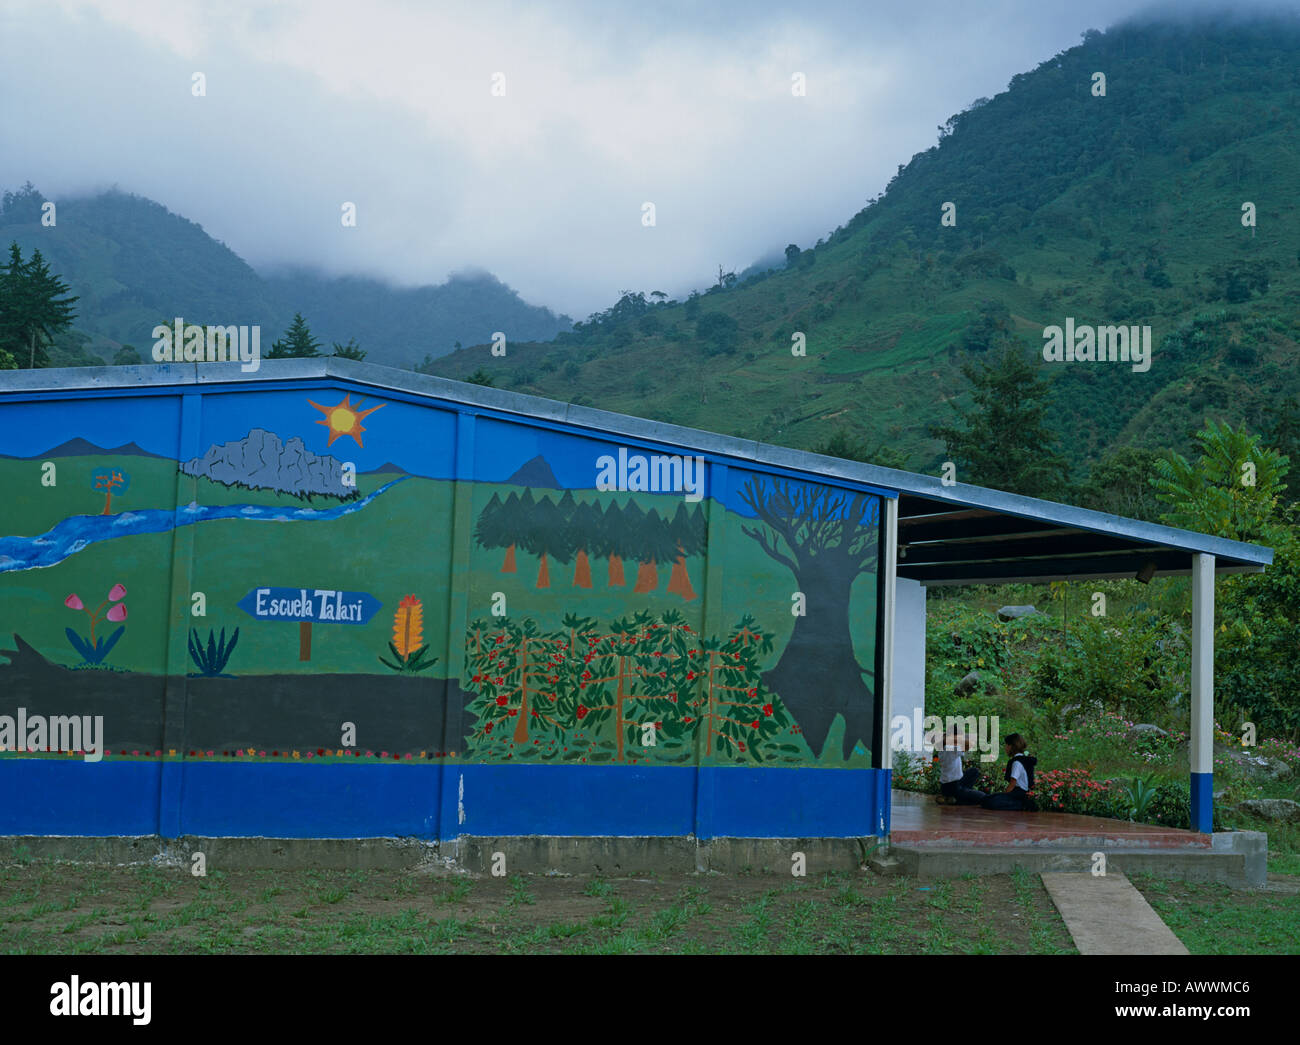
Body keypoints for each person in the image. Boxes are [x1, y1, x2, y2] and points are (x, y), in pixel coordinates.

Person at [933, 724, 987, 806]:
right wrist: (956, 738)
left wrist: (947, 737)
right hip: (953, 787)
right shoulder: (951, 748)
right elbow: (970, 744)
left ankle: (953, 797)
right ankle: (956, 799)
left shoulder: (944, 746)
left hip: (950, 785)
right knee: (982, 796)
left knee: (974, 771)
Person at [981, 733, 1037, 811]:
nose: (1005, 748)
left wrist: (1005, 796)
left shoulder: (1017, 762)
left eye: (1006, 745)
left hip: (1020, 795)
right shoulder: (1024, 759)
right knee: (987, 798)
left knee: (990, 802)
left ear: (1011, 746)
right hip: (1020, 793)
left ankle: (1021, 805)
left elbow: (1012, 783)